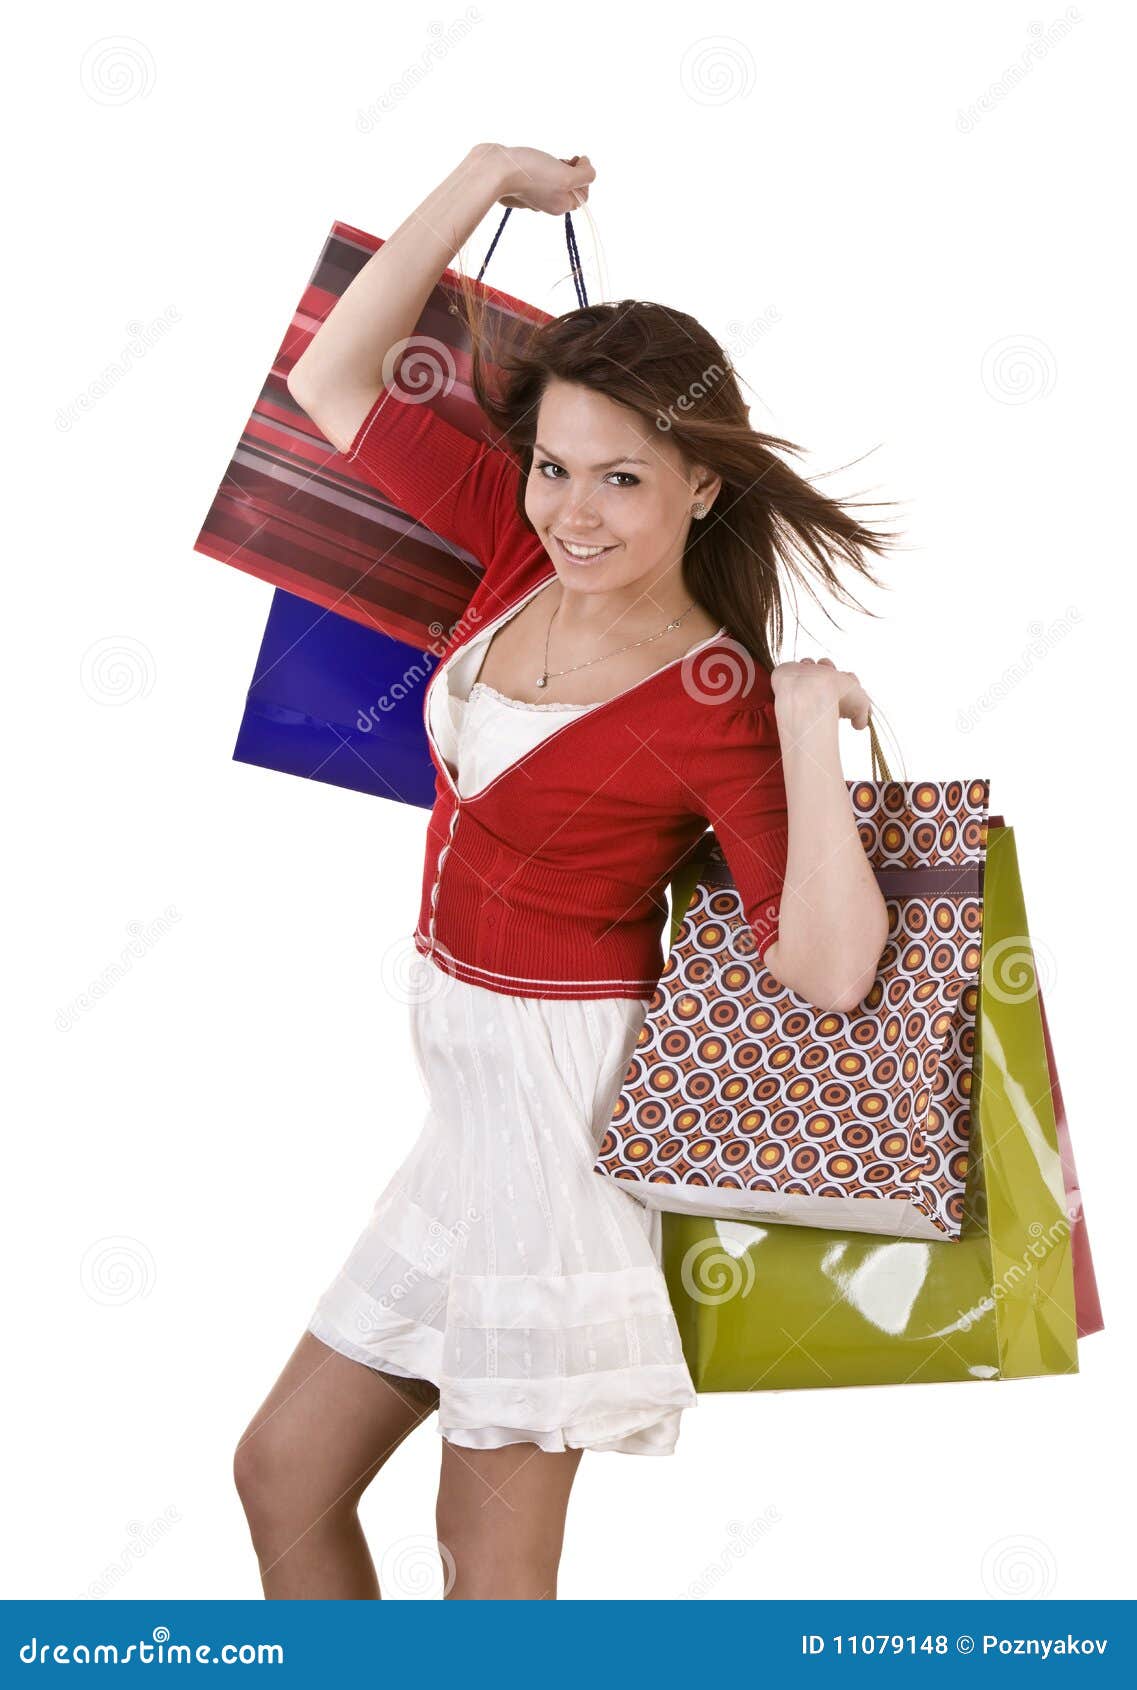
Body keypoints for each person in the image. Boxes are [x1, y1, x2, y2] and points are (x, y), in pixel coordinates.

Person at [232, 142, 895, 1601]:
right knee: (283, 1472)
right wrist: (481, 179)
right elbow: (334, 382)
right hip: (463, 1108)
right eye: (551, 466)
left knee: (490, 1572)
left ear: (704, 488)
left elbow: (830, 968)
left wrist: (796, 729)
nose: (572, 509)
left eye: (621, 478)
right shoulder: (524, 558)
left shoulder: (716, 696)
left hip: (559, 1130)